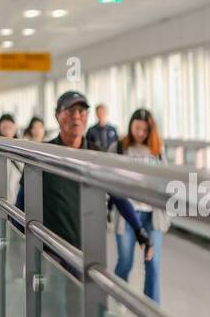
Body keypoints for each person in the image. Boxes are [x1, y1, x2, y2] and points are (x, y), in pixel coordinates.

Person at [15, 91, 150, 265]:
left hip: (87, 252)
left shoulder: (97, 155)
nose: (77, 117)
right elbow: (21, 202)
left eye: (82, 111)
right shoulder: (42, 155)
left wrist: (139, 229)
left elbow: (118, 196)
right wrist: (15, 241)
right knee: (54, 292)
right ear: (57, 116)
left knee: (84, 291)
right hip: (50, 250)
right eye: (70, 111)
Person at [114, 109, 167, 302]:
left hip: (151, 215)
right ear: (130, 126)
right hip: (127, 213)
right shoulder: (120, 146)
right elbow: (107, 178)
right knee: (126, 261)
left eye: (145, 130)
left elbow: (165, 180)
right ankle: (117, 301)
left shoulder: (157, 149)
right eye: (137, 128)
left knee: (152, 264)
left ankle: (151, 313)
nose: (140, 133)